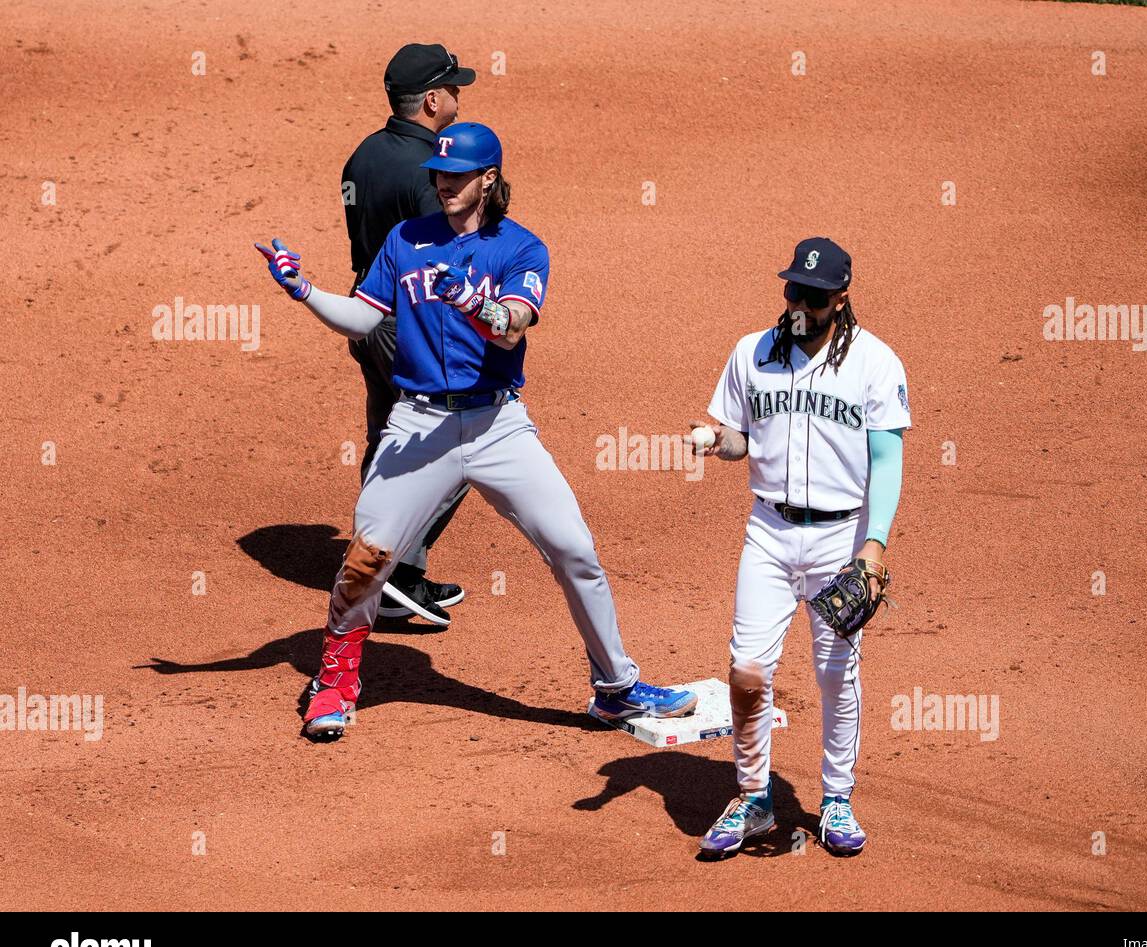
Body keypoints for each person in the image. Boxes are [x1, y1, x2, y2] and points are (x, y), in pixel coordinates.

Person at [255, 122, 697, 740]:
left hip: (496, 424)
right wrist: (305, 291)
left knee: (574, 548)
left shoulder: (520, 249)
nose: (443, 185)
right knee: (366, 559)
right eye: (438, 175)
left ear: (487, 179)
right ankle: (334, 685)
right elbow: (363, 317)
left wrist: (471, 302)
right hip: (417, 423)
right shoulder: (405, 240)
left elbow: (513, 326)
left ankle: (615, 688)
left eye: (456, 176)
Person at [690, 237, 910, 858]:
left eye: (814, 296)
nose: (800, 303)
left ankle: (836, 797)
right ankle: (753, 797)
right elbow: (741, 440)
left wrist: (874, 545)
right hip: (768, 531)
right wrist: (716, 440)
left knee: (836, 673)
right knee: (747, 670)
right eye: (792, 290)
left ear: (841, 298)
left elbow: (888, 460)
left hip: (841, 537)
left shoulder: (874, 362)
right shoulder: (751, 352)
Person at [340, 42, 477, 625]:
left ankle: (385, 561)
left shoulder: (363, 156)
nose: (459, 95)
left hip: (367, 316)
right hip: (410, 323)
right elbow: (444, 258)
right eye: (453, 87)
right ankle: (392, 572)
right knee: (461, 441)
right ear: (430, 100)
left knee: (388, 438)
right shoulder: (429, 173)